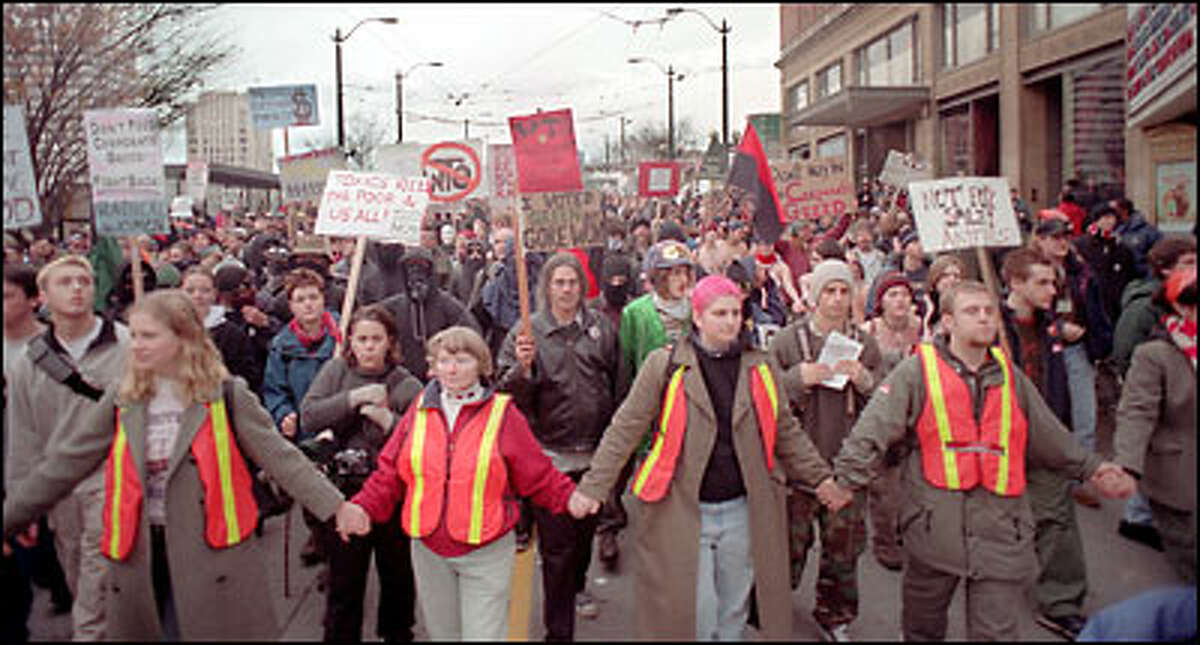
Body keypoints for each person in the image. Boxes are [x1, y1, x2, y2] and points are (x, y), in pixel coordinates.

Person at [3, 289, 356, 640]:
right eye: (135, 333)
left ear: (183, 337)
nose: (136, 344)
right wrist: (12, 516)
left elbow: (280, 457)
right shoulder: (124, 397)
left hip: (209, 554)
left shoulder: (225, 394)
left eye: (149, 336)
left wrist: (336, 507)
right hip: (138, 553)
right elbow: (65, 462)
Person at [825, 280, 1136, 641]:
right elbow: (873, 429)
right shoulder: (916, 372)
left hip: (1001, 527)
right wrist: (844, 481)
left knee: (996, 633)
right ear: (947, 322)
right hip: (933, 528)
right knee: (922, 628)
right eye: (972, 312)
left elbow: (1050, 436)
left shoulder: (1010, 375)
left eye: (989, 311)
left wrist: (1094, 468)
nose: (985, 318)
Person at [567, 275, 848, 640]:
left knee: (733, 609)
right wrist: (592, 488)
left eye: (735, 312)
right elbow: (626, 428)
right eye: (720, 313)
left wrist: (822, 479)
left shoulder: (759, 366)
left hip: (743, 509)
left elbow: (786, 431)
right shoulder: (664, 366)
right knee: (697, 612)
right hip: (684, 511)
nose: (731, 321)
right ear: (697, 317)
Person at [339, 326, 578, 641]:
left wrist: (573, 498)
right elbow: (390, 472)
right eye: (444, 360)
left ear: (481, 365)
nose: (451, 369)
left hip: (486, 550)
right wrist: (363, 507)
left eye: (462, 360)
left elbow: (539, 475)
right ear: (432, 366)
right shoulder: (420, 409)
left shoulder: (503, 416)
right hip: (429, 550)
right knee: (443, 635)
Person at [495, 252, 623, 639]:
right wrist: (523, 370)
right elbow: (503, 395)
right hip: (550, 460)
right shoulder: (526, 332)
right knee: (556, 551)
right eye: (559, 282)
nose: (566, 290)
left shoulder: (600, 327)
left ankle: (577, 585)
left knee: (582, 540)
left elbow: (619, 383)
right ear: (546, 287)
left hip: (595, 459)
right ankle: (558, 630)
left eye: (572, 282)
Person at [5, 255, 130, 640]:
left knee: (95, 594)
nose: (77, 288)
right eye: (65, 282)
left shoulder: (127, 346)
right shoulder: (30, 364)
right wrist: (22, 505)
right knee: (81, 579)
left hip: (115, 482)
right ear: (41, 297)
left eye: (84, 280)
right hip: (62, 492)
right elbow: (23, 438)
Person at [768, 260, 882, 641]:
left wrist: (865, 380)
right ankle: (769, 610)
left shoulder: (865, 345)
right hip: (797, 473)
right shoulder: (787, 341)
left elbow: (885, 405)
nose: (836, 299)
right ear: (814, 295)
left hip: (847, 470)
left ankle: (834, 616)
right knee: (786, 549)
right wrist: (794, 379)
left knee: (843, 553)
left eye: (843, 291)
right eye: (829, 291)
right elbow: (760, 402)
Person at [299, 305, 423, 642]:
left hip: (392, 494)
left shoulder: (406, 383)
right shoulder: (336, 371)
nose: (368, 346)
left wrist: (389, 422)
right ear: (349, 341)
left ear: (390, 342)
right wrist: (351, 398)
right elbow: (309, 415)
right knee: (344, 583)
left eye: (376, 339)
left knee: (397, 578)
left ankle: (398, 634)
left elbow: (425, 438)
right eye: (362, 339)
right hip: (346, 494)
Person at [999, 247, 1095, 639]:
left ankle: (1060, 602)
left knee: (1056, 519)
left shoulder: (1048, 326)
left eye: (1053, 281)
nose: (1052, 289)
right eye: (1041, 281)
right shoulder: (991, 325)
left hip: (1044, 438)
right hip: (997, 441)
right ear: (1015, 284)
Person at [1109, 235, 1195, 550]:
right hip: (1177, 470)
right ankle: (1137, 518)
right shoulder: (1153, 346)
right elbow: (1136, 411)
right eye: (1188, 263)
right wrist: (1127, 466)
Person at [261, 267, 342, 567]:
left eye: (313, 297)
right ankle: (321, 541)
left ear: (323, 300)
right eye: (300, 299)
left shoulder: (341, 338)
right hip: (307, 432)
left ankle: (338, 557)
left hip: (339, 425)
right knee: (311, 493)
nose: (308, 304)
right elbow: (274, 389)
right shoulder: (282, 347)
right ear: (291, 305)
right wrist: (284, 414)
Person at [859, 271, 921, 570]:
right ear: (880, 301)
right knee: (884, 487)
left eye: (905, 294)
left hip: (915, 414)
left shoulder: (920, 328)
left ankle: (907, 533)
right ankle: (884, 540)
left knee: (913, 481)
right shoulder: (868, 331)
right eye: (893, 294)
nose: (900, 300)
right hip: (880, 412)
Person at [376, 247, 479, 382]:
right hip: (403, 379)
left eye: (421, 268)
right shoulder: (391, 308)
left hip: (442, 379)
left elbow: (471, 339)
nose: (416, 274)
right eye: (410, 268)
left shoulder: (449, 307)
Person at [181, 266, 262, 395]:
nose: (197, 296)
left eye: (205, 290)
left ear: (214, 294)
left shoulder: (232, 334)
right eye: (190, 290)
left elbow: (247, 377)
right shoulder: (170, 330)